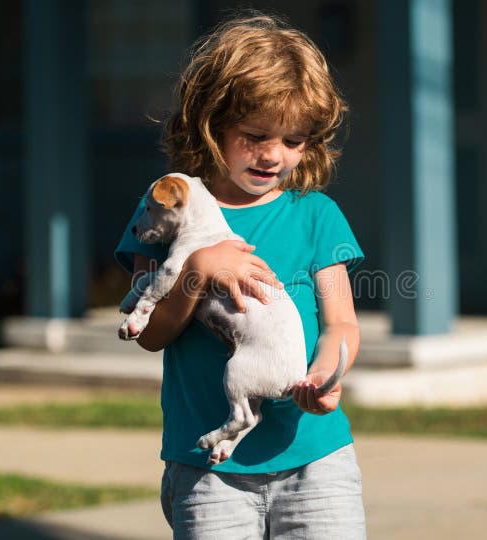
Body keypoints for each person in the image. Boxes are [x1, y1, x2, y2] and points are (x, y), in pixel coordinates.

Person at [115, 12, 366, 539]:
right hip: (207, 471)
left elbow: (340, 324)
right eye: (256, 135)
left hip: (314, 462)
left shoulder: (315, 215)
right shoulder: (168, 204)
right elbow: (151, 335)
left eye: (295, 140)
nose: (275, 155)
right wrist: (198, 272)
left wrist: (323, 375)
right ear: (211, 124)